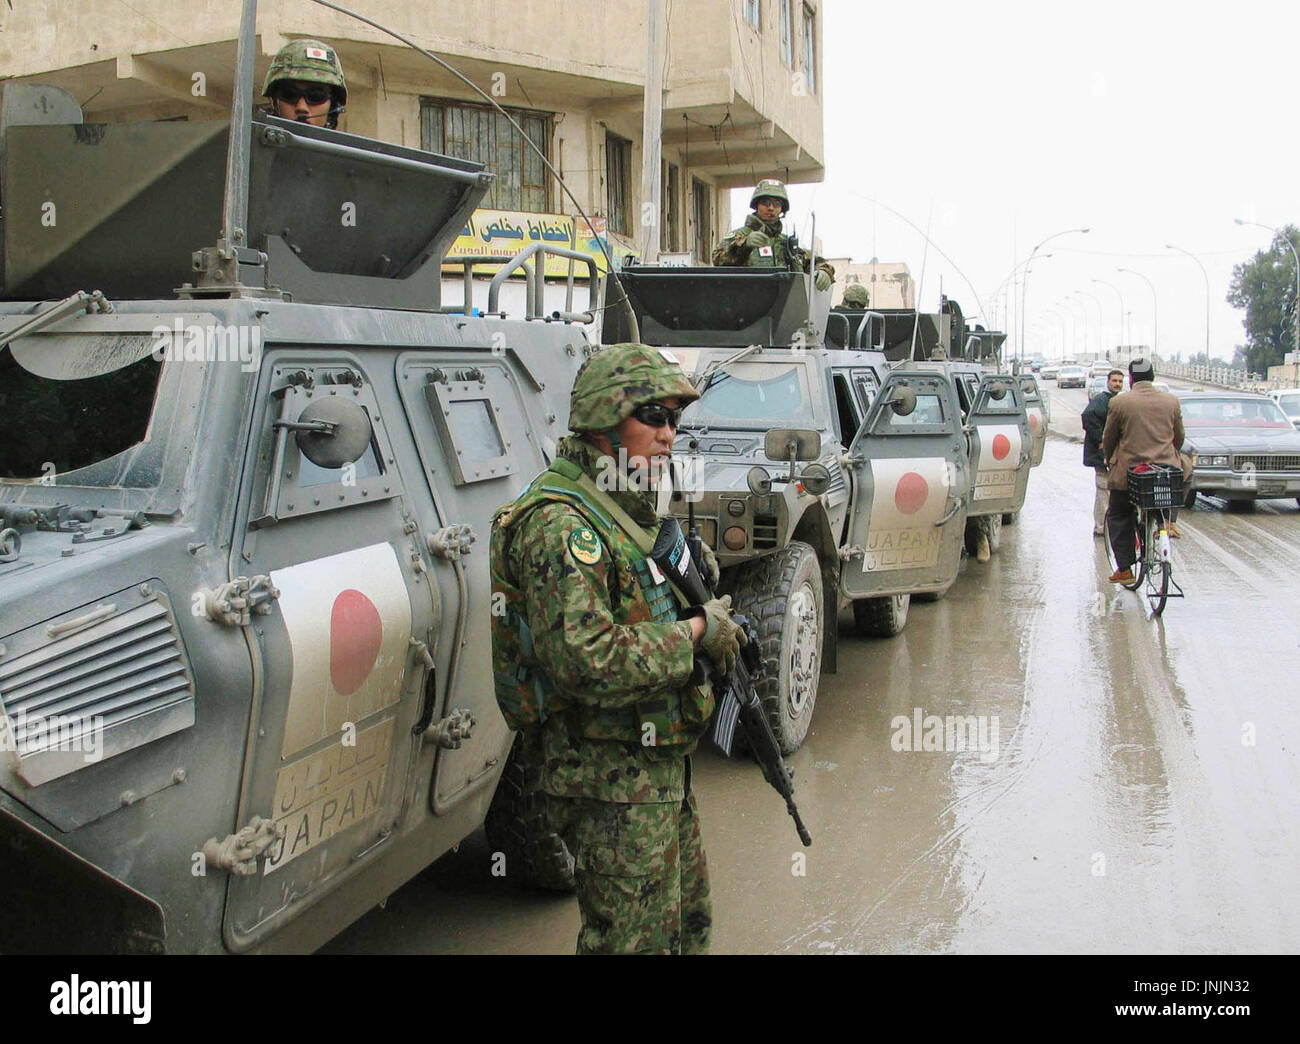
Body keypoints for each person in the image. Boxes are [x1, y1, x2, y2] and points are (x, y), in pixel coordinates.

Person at [489, 343, 743, 954]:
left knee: (686, 928)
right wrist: (699, 634)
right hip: (605, 775)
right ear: (605, 421)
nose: (668, 435)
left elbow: (632, 601)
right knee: (631, 945)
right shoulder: (560, 524)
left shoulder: (622, 508)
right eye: (652, 416)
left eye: (674, 421)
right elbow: (585, 659)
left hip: (651, 763)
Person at [1101, 357, 1185, 583]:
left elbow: (1109, 438)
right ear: (1153, 377)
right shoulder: (1171, 401)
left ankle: (1125, 569)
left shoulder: (1120, 403)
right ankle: (1163, 525)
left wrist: (1109, 458)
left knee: (1118, 513)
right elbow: (1179, 437)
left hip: (1131, 472)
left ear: (1131, 379)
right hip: (1164, 471)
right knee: (1161, 502)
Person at [712, 178, 835, 291]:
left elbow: (815, 262)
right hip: (745, 305)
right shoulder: (739, 236)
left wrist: (824, 271)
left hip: (783, 308)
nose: (771, 208)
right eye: (765, 203)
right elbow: (717, 259)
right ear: (757, 205)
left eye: (776, 204)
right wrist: (744, 245)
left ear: (782, 209)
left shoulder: (786, 244)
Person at [262, 39, 347, 129]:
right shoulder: (247, 141)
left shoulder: (350, 143)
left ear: (332, 106)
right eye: (289, 94)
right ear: (275, 103)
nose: (301, 107)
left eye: (316, 96)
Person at [1082, 369, 1124, 537]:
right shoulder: (1101, 400)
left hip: (1111, 455)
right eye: (1114, 381)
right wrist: (1101, 440)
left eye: (1120, 381)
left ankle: (1104, 526)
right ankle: (1101, 527)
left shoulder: (1115, 401)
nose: (1117, 384)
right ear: (1108, 382)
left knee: (1107, 492)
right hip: (1101, 457)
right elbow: (1087, 416)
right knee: (1103, 491)